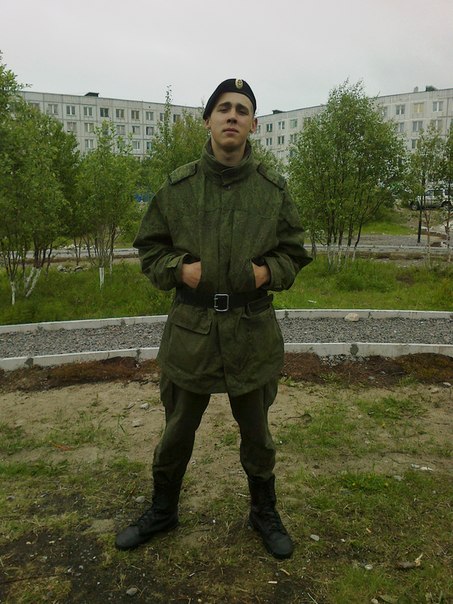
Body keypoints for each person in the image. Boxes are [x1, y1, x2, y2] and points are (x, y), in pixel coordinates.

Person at [115, 78, 312, 559]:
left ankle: (263, 512)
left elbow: (294, 252)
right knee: (177, 430)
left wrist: (267, 273)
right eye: (223, 108)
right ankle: (163, 509)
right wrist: (178, 269)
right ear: (207, 120)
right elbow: (149, 248)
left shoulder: (272, 191)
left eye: (242, 110)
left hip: (251, 332)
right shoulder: (178, 188)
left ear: (254, 126)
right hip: (192, 333)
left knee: (258, 435)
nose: (232, 116)